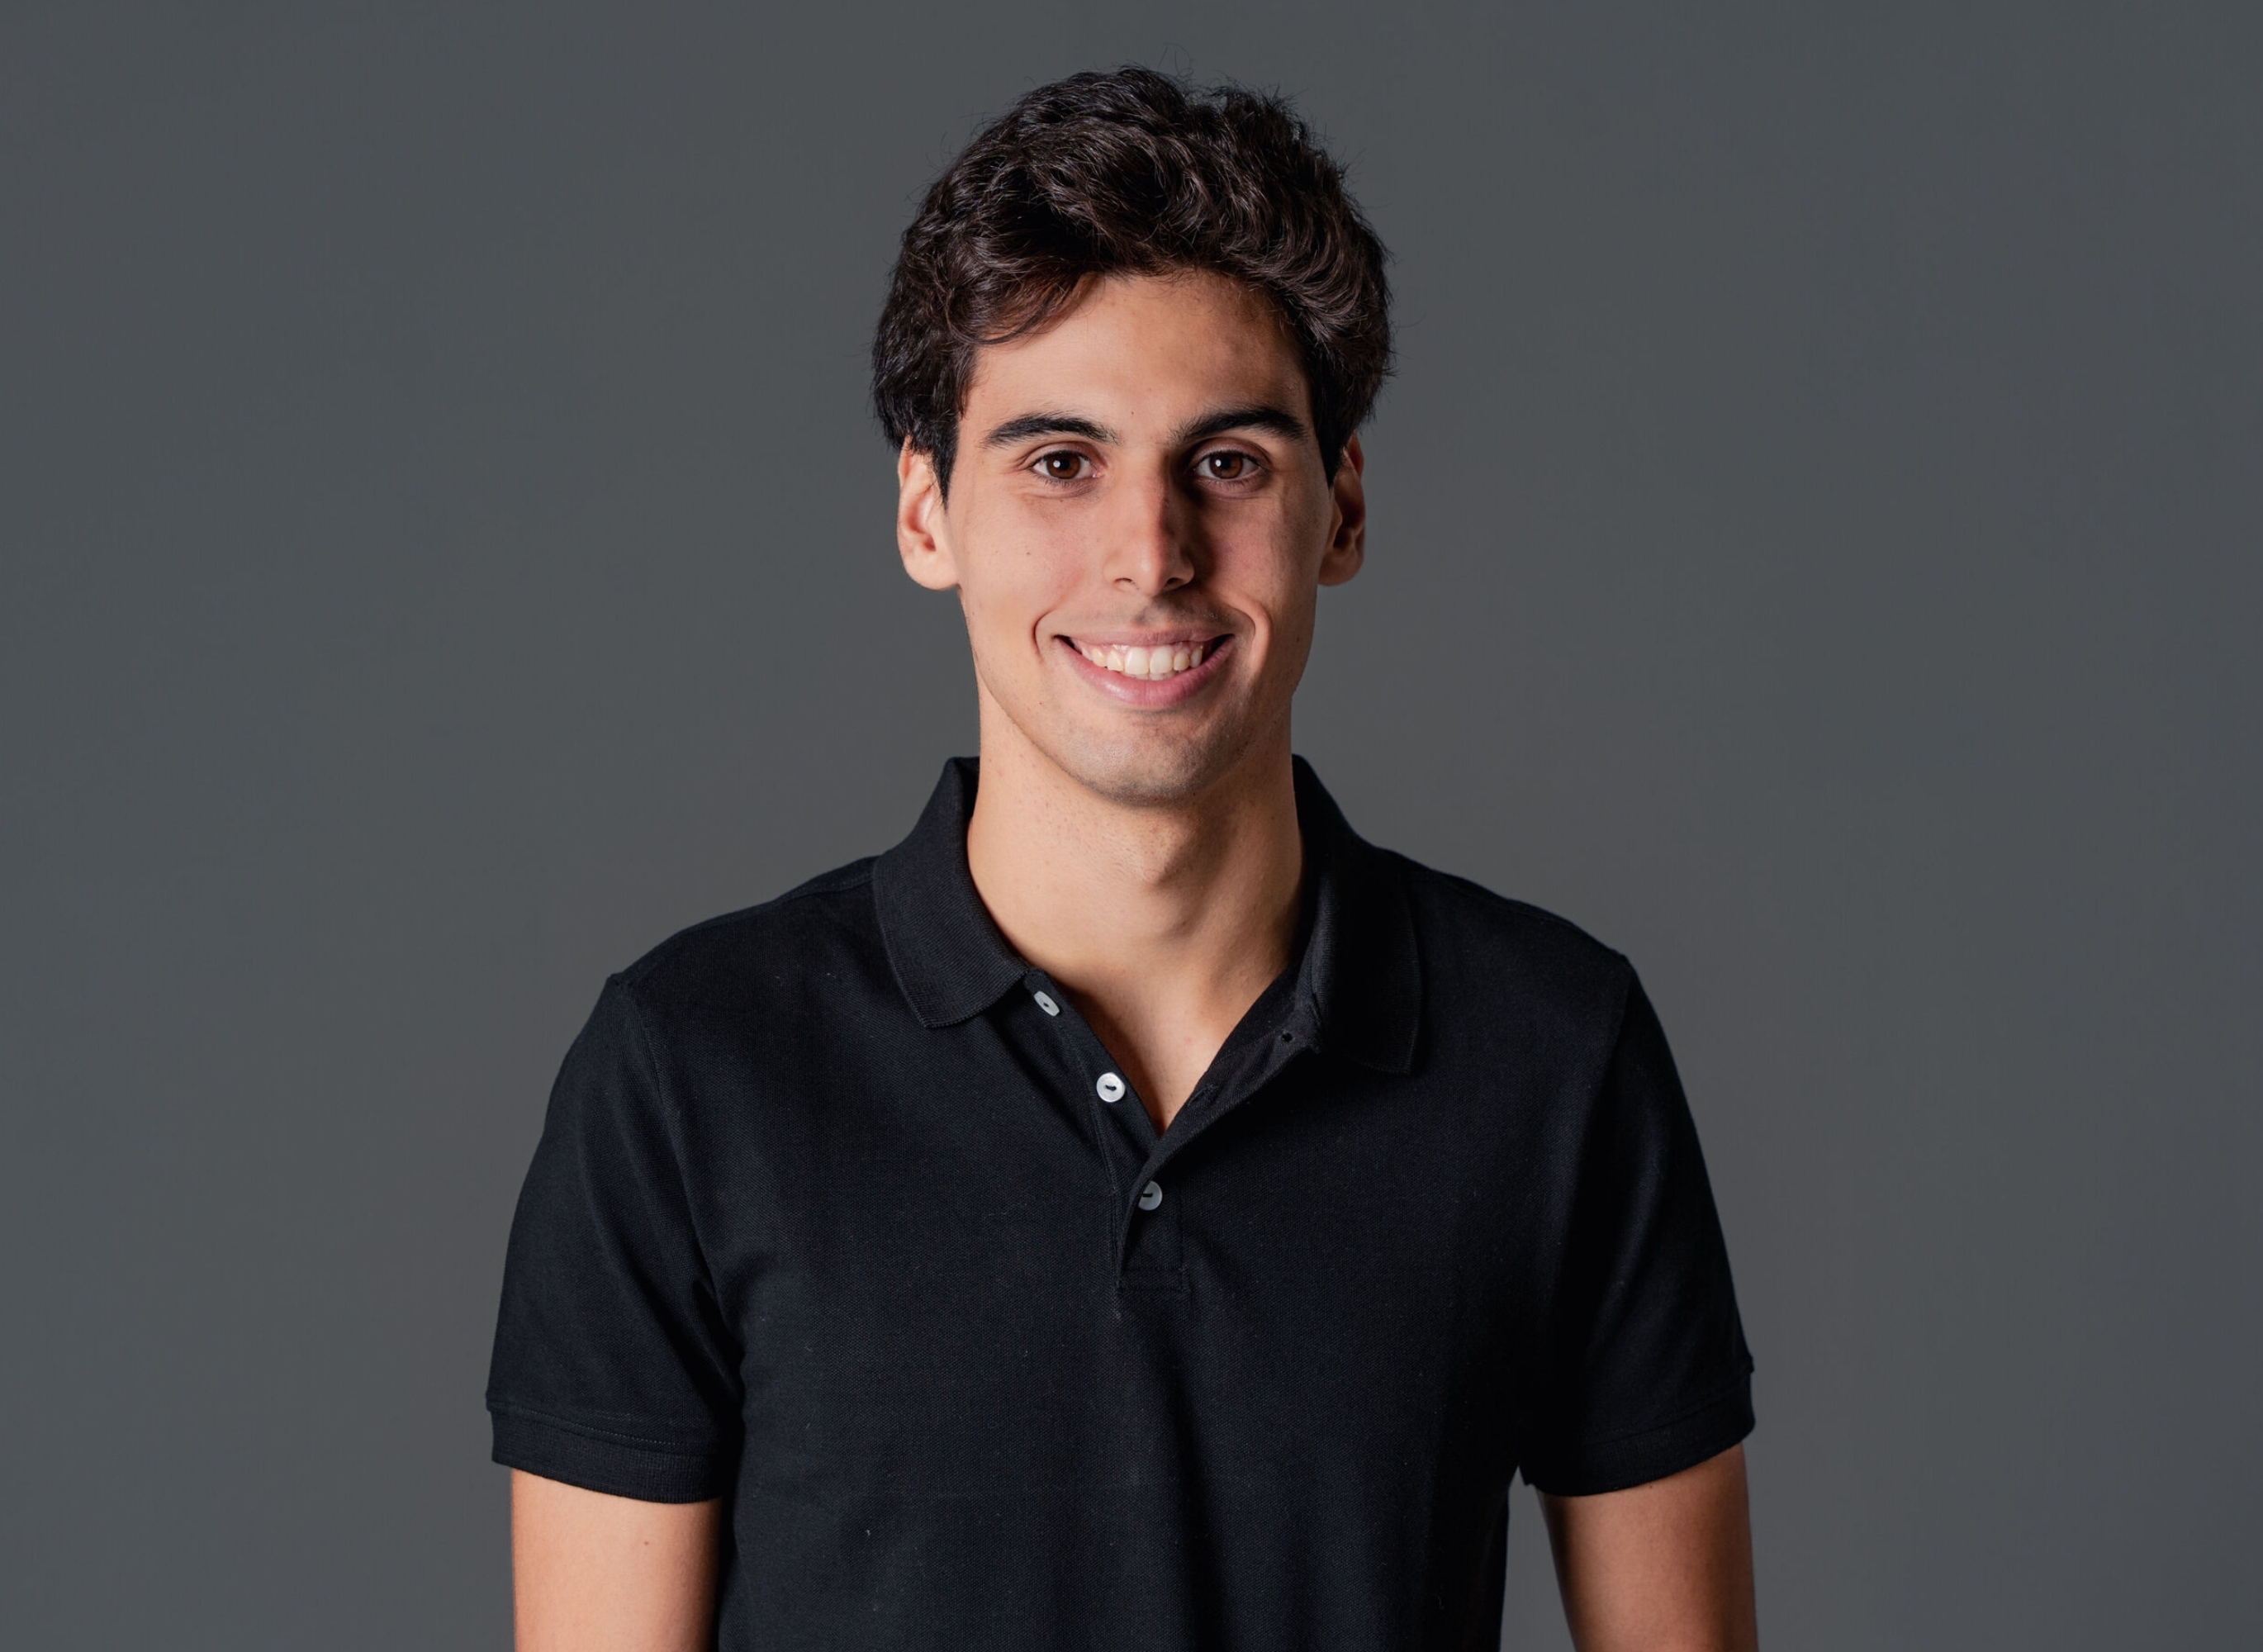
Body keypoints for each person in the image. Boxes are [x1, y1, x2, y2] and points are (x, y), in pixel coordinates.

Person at [488, 67, 1758, 1652]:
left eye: (1227, 462)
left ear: (1341, 509)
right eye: (1058, 461)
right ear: (925, 511)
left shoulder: (1555, 1054)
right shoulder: (689, 1074)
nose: (1149, 558)